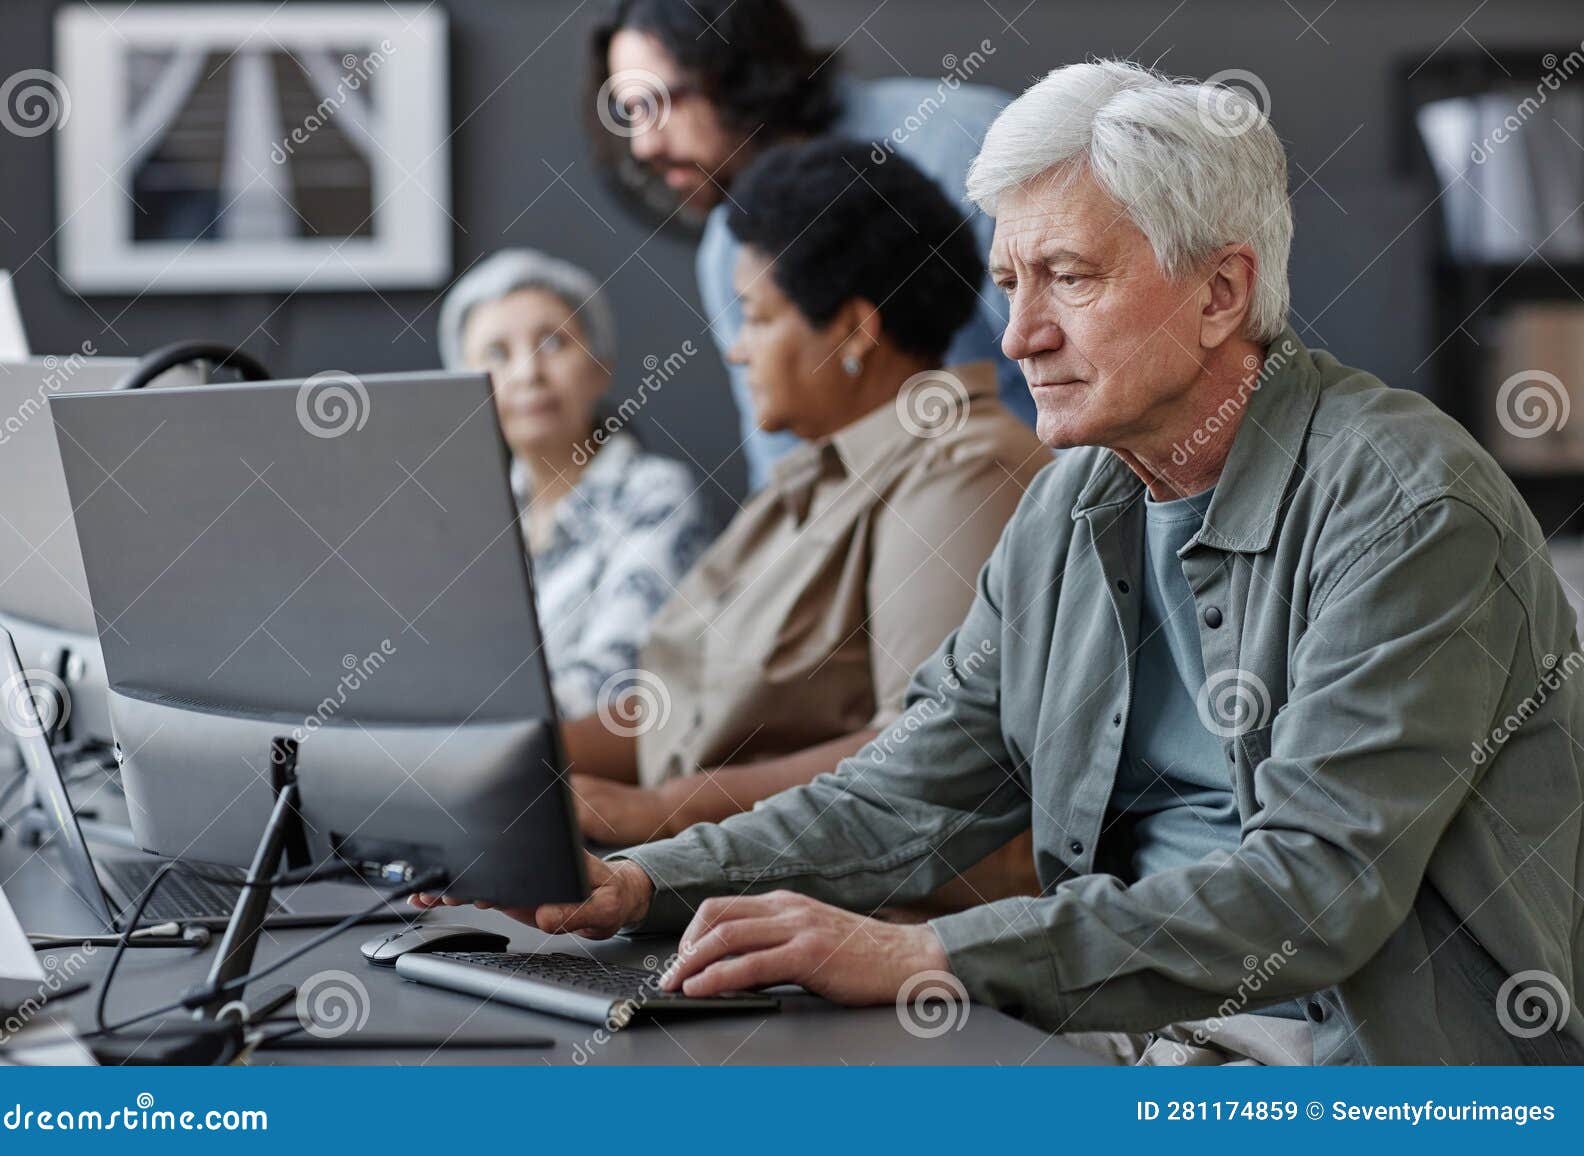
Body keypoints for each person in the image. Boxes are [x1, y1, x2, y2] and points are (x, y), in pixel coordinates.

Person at [420, 62, 1584, 1066]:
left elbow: (1311, 890)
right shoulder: (1072, 500)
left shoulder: (1409, 509)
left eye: (1069, 278)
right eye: (1011, 281)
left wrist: (926, 953)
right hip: (1121, 1034)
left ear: (1221, 290)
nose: (1020, 332)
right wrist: (641, 881)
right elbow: (914, 782)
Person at [552, 139, 1048, 908]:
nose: (738, 349)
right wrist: (523, 763)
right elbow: (678, 706)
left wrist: (657, 814)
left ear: (853, 330)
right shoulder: (810, 474)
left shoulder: (967, 469)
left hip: (854, 927)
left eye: (756, 316)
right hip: (706, 888)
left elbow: (927, 750)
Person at [590, 0, 1034, 492]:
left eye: (658, 103)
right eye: (628, 113)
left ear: (737, 75)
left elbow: (1068, 380)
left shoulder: (959, 141)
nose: (641, 146)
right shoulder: (726, 252)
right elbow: (785, 470)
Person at [439, 249, 715, 719]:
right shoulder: (468, 511)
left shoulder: (656, 494)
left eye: (552, 344)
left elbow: (615, 684)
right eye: (496, 354)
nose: (528, 374)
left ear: (599, 366)